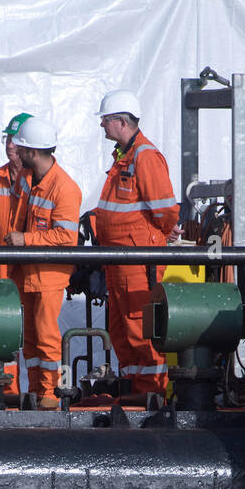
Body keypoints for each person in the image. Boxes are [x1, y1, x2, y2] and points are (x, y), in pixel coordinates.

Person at [93, 89, 178, 400]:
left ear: (121, 121)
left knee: (140, 328)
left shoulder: (145, 157)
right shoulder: (124, 157)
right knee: (120, 330)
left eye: (105, 120)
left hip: (138, 262)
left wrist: (156, 237)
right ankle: (132, 391)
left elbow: (167, 211)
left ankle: (150, 395)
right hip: (119, 261)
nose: (102, 125)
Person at [7, 116, 81, 410]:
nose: (16, 152)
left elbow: (66, 236)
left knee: (46, 334)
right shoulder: (29, 181)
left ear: (32, 153)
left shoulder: (64, 188)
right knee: (31, 337)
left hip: (48, 274)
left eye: (20, 148)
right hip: (28, 271)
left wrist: (25, 240)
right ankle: (38, 390)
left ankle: (50, 393)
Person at [0, 111, 31, 398]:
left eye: (16, 139)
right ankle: (9, 393)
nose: (10, 145)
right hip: (1, 268)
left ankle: (39, 392)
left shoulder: (40, 180)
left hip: (30, 269)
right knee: (4, 332)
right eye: (8, 138)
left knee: (34, 333)